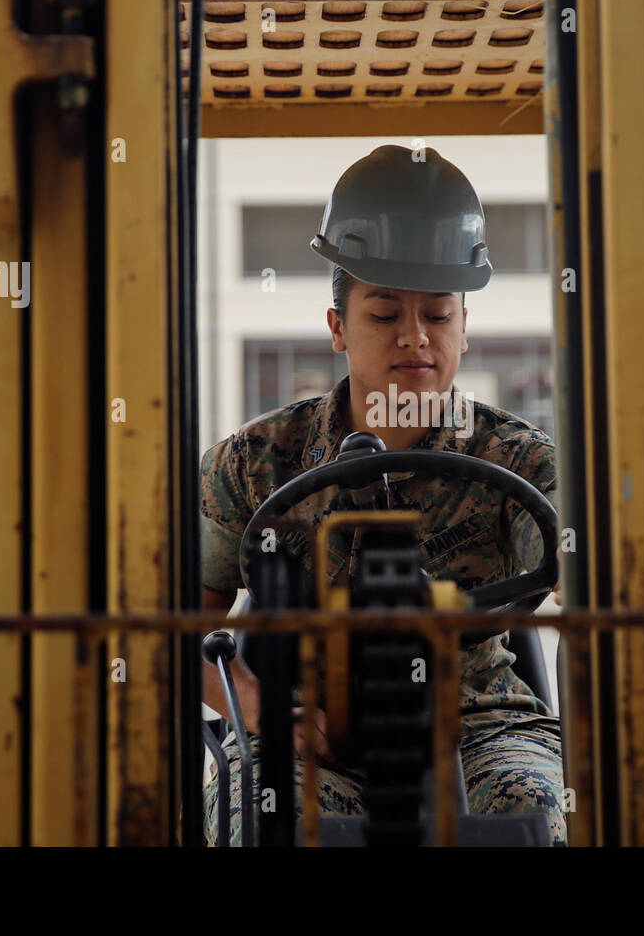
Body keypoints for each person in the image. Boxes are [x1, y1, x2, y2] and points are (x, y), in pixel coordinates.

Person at [200, 144, 565, 846]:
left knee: (535, 810)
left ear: (464, 327)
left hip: (479, 729)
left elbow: (591, 575)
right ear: (337, 327)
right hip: (310, 734)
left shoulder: (520, 462)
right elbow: (176, 612)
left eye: (437, 313)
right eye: (384, 313)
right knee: (258, 812)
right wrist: (252, 703)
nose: (414, 337)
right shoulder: (255, 462)